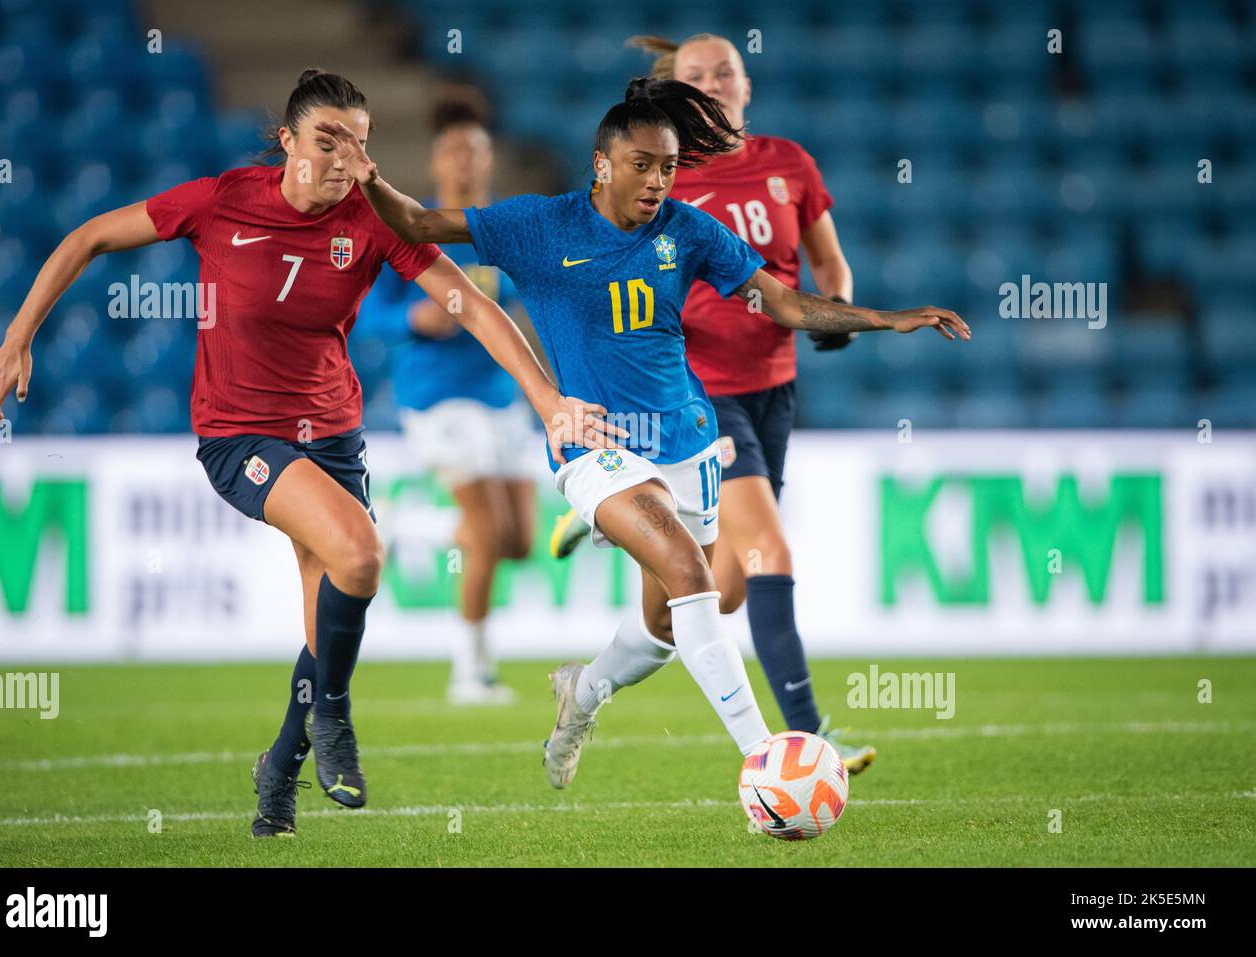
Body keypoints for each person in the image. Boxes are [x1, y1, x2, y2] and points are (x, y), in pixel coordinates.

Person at [0, 69, 620, 835]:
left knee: (326, 621)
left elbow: (471, 304)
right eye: (328, 139)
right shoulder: (222, 200)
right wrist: (18, 337)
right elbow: (87, 237)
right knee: (360, 556)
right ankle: (337, 723)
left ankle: (278, 771)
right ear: (287, 142)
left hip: (332, 436)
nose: (346, 156)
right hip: (240, 433)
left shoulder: (373, 219)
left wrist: (548, 401)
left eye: (360, 141)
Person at [314, 77, 969, 790]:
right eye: (642, 165)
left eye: (668, 166)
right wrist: (371, 180)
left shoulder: (686, 231)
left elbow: (780, 301)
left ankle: (583, 694)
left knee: (666, 622)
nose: (658, 180)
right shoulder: (539, 226)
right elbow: (416, 225)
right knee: (691, 573)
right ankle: (768, 763)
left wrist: (883, 318)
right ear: (602, 164)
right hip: (593, 443)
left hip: (687, 441)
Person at [598, 32, 871, 772]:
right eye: (697, 76)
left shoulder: (790, 164)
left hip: (773, 387)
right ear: (678, 94)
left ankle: (592, 668)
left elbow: (828, 260)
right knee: (770, 548)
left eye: (727, 71)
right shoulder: (665, 178)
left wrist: (837, 307)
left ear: (747, 86)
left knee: (717, 588)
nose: (714, 82)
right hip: (699, 395)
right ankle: (812, 740)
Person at [356, 86, 535, 705]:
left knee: (519, 542)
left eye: (475, 150)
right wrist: (413, 322)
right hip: (436, 398)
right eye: (453, 150)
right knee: (487, 533)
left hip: (498, 399)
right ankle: (471, 672)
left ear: (488, 161)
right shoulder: (409, 226)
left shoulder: (500, 234)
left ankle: (419, 528)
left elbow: (512, 312)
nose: (464, 160)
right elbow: (365, 315)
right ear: (436, 163)